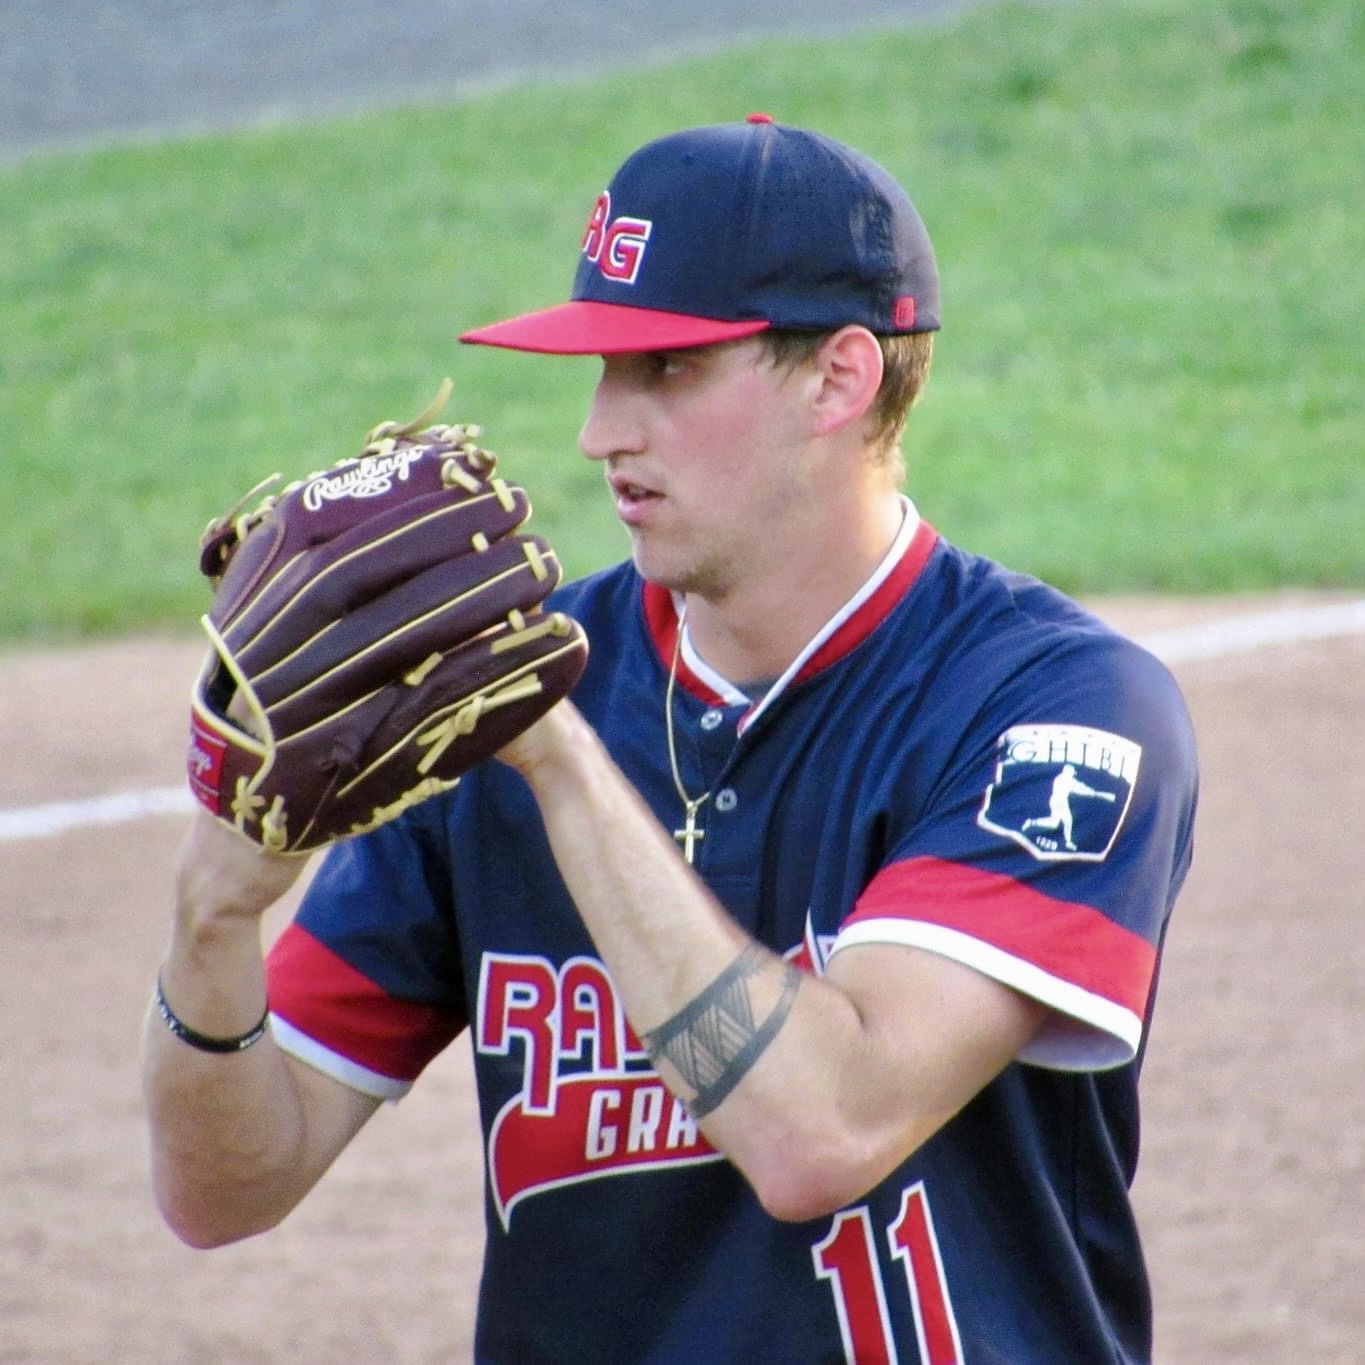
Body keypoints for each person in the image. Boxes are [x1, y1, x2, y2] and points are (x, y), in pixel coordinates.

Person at [142, 114, 1199, 1363]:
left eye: (667, 369)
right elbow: (223, 1192)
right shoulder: (495, 698)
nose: (600, 431)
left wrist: (558, 757)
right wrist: (213, 916)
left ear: (840, 379)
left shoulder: (1054, 711)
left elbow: (823, 1134)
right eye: (599, 371)